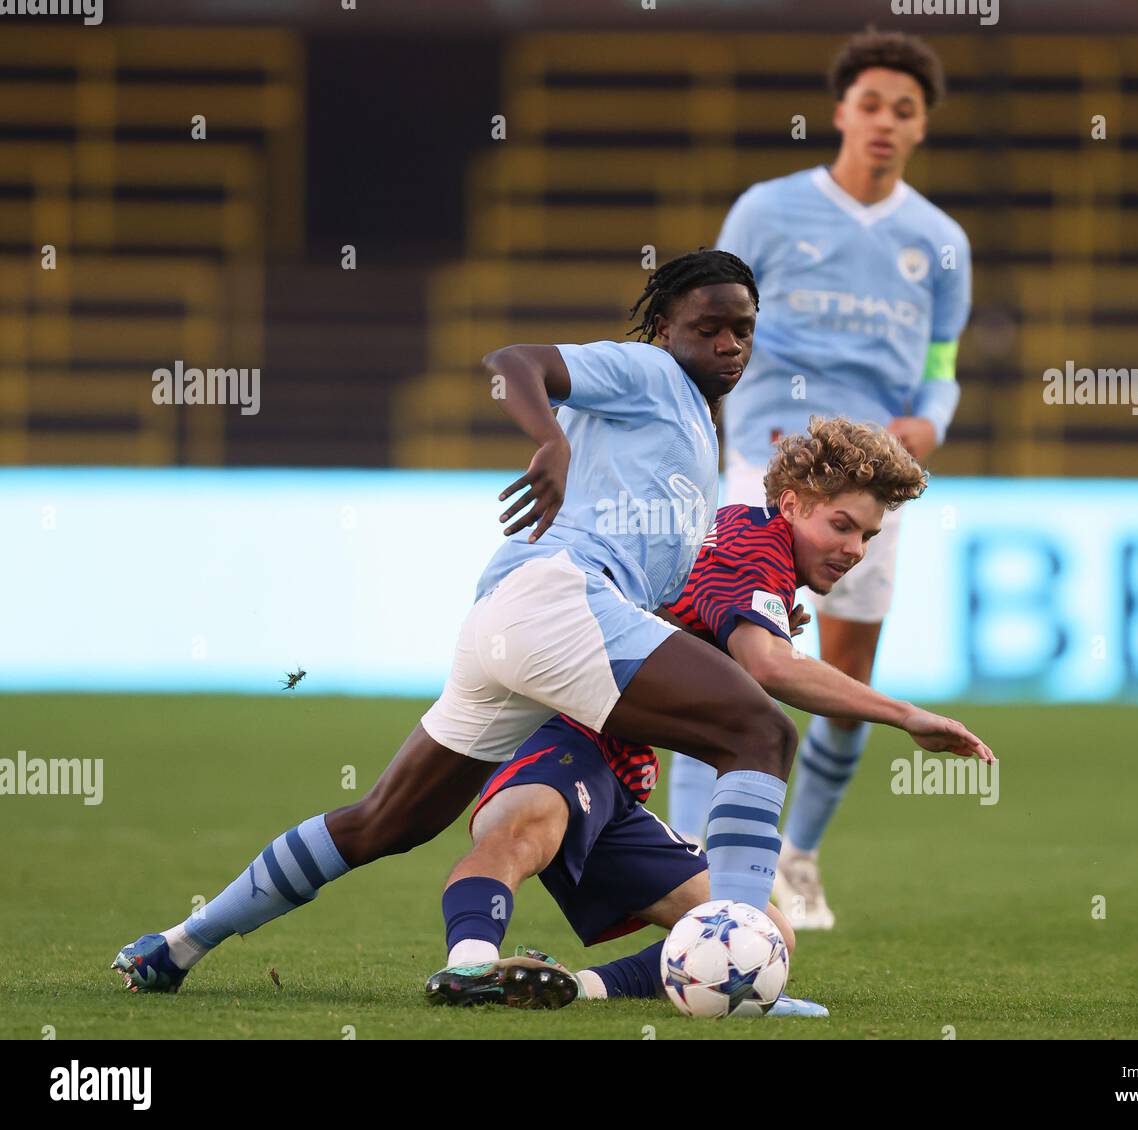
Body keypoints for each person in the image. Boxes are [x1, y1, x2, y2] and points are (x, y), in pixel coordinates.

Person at [109, 250, 807, 993]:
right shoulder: (649, 372)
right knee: (759, 733)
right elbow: (512, 362)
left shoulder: (695, 426)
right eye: (710, 328)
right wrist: (551, 439)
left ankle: (177, 946)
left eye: (744, 330)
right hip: (559, 601)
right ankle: (742, 951)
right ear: (665, 327)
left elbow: (648, 595)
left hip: (512, 621)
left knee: (386, 821)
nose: (729, 345)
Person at [424, 418, 992, 1012]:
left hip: (619, 770)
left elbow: (693, 624)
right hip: (567, 727)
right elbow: (772, 668)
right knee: (522, 829)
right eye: (841, 526)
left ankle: (573, 988)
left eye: (869, 535)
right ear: (792, 505)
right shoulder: (755, 549)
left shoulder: (744, 540)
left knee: (767, 932)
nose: (854, 550)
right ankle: (470, 966)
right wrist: (905, 715)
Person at [669, 29, 973, 930]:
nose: (885, 121)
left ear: (921, 129)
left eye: (904, 110)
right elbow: (705, 322)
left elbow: (944, 364)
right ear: (842, 112)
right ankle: (692, 858)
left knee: (844, 667)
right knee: (719, 650)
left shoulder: (938, 240)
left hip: (872, 482)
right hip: (766, 466)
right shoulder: (766, 211)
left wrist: (932, 419)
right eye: (871, 104)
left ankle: (797, 858)